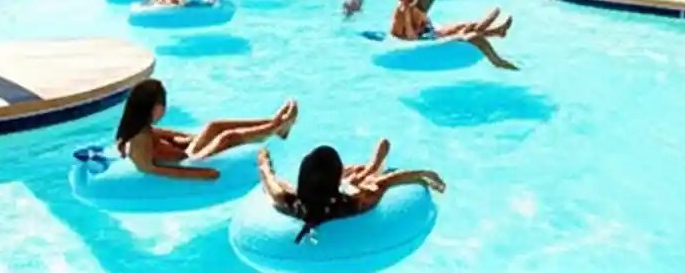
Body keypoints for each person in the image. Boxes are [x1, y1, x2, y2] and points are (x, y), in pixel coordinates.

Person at [255, 140, 445, 244]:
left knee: (357, 180)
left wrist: (263, 157)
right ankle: (373, 166)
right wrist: (422, 174)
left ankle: (371, 166)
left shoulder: (284, 199)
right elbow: (386, 181)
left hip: (323, 196)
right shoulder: (356, 202)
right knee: (366, 180)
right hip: (339, 197)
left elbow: (267, 175)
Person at [114, 79, 298, 179]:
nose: (164, 108)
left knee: (214, 126)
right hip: (189, 162)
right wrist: (200, 173)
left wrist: (201, 138)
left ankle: (274, 123)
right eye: (162, 104)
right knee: (228, 137)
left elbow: (169, 134)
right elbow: (151, 170)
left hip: (186, 153)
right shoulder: (140, 138)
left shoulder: (140, 127)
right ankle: (276, 128)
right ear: (153, 107)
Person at [389, 0, 517, 69]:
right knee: (470, 35)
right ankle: (497, 56)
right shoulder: (402, 11)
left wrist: (422, 21)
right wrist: (408, 15)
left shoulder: (414, 7)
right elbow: (408, 37)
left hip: (430, 32)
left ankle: (496, 31)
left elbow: (424, 23)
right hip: (423, 38)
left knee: (467, 26)